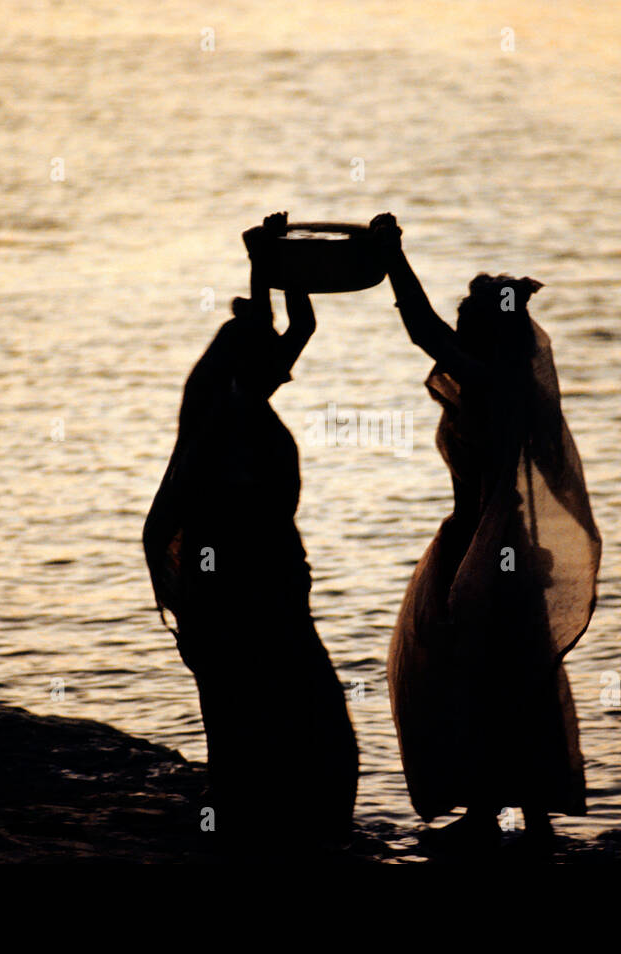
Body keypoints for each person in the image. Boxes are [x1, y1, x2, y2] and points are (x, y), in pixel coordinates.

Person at [370, 212, 602, 853]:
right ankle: (510, 814)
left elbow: (422, 330)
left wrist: (392, 257)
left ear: (489, 331)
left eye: (468, 315)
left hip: (488, 553)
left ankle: (509, 817)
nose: (458, 323)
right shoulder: (498, 381)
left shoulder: (495, 384)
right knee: (496, 676)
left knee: (489, 676)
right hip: (489, 547)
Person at [142, 213, 358, 852]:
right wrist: (269, 265)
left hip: (270, 581)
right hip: (242, 587)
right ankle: (256, 811)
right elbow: (184, 520)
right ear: (250, 367)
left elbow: (300, 325)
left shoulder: (245, 394)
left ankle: (268, 808)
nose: (287, 363)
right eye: (273, 357)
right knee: (263, 698)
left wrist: (273, 263)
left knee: (278, 698)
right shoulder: (225, 422)